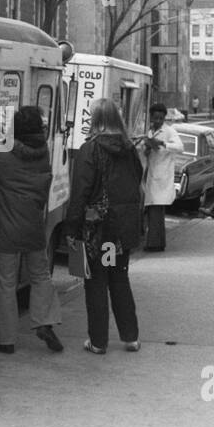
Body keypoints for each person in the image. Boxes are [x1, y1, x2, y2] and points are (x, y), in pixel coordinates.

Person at [0, 104, 64, 353]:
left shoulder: (5, 154)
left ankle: (6, 340)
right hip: (33, 227)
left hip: (6, 230)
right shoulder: (43, 153)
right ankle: (45, 321)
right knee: (41, 276)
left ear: (16, 128)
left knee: (5, 283)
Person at [64, 98, 144, 354]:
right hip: (124, 227)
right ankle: (130, 337)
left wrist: (72, 229)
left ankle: (98, 341)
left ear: (96, 120)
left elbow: (80, 193)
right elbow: (137, 185)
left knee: (97, 282)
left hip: (101, 228)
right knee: (119, 278)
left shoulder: (91, 149)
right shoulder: (130, 149)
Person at [138, 103, 183, 251]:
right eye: (155, 118)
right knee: (149, 211)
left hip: (160, 177)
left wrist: (163, 143)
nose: (157, 121)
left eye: (160, 118)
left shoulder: (169, 132)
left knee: (156, 212)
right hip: (148, 174)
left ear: (164, 118)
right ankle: (153, 241)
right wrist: (148, 147)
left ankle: (155, 244)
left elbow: (180, 147)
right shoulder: (148, 131)